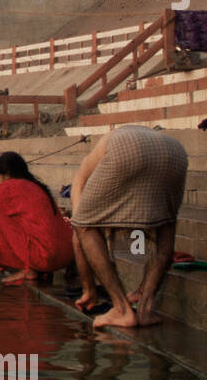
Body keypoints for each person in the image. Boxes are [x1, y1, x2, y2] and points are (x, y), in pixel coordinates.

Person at [69, 125, 188, 329]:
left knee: (83, 227)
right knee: (166, 225)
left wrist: (89, 288)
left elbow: (79, 193)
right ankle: (145, 310)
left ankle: (122, 310)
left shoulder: (90, 161)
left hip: (127, 148)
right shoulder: (139, 135)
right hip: (175, 152)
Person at [0, 152, 73, 285]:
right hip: (67, 255)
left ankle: (29, 270)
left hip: (47, 258)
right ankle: (35, 268)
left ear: (6, 174)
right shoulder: (37, 186)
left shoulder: (8, 187)